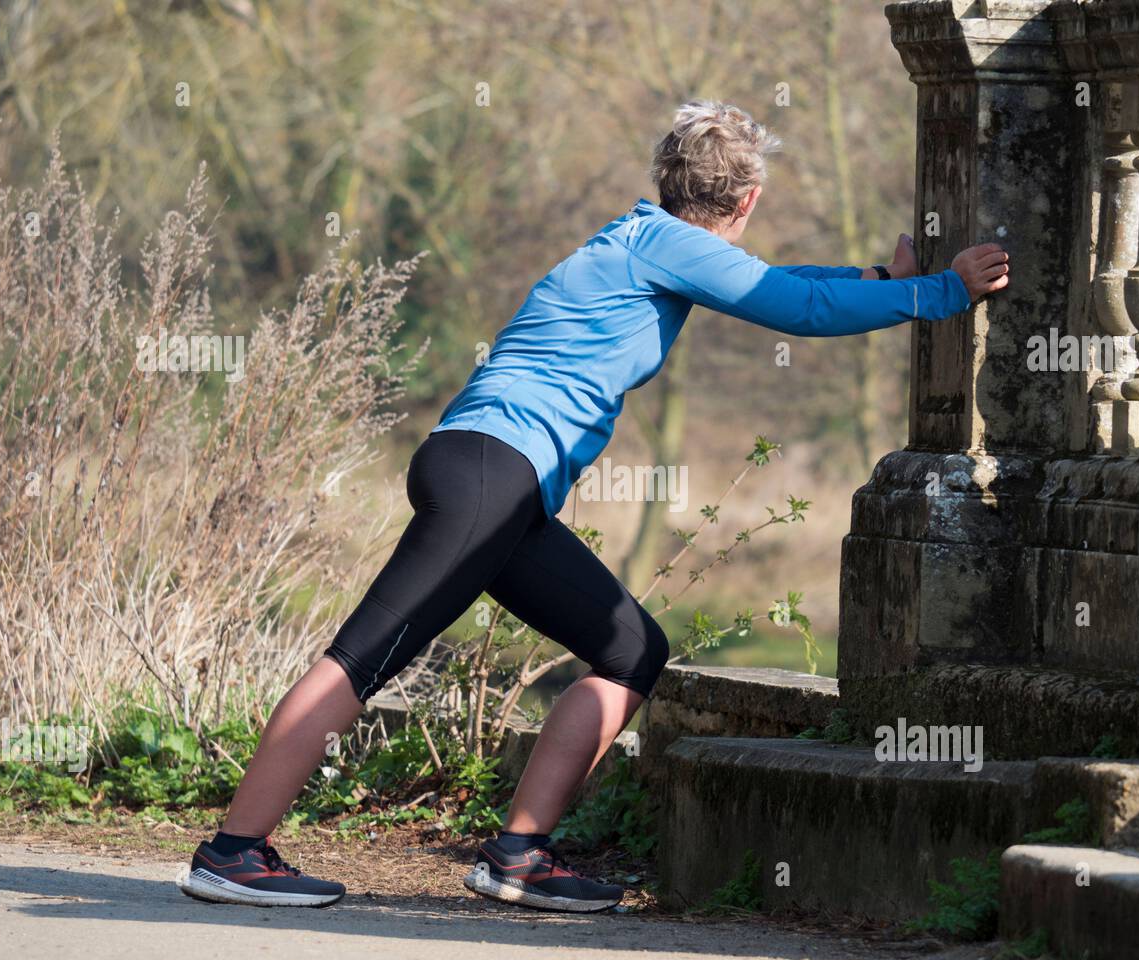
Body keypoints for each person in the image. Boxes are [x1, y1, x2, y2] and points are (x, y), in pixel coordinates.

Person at [179, 99, 1010, 913]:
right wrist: (941, 290)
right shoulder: (667, 247)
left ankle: (519, 855)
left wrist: (880, 277)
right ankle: (234, 853)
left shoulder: (648, 239)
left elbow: (776, 286)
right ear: (748, 200)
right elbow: (797, 307)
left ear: (668, 177)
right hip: (490, 471)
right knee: (366, 656)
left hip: (498, 483)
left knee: (630, 648)